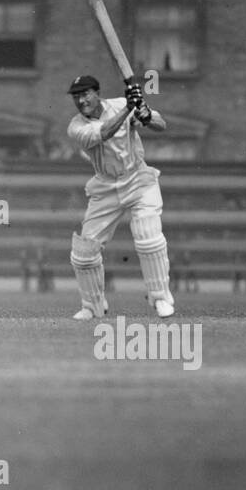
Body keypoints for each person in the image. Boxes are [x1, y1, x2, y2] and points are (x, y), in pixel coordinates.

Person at [65, 74, 174, 320]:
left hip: (138, 179)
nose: (81, 101)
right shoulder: (76, 126)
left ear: (97, 92)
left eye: (85, 94)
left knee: (148, 236)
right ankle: (92, 306)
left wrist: (146, 115)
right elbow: (103, 132)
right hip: (106, 187)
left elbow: (161, 125)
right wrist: (129, 107)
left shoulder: (119, 104)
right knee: (83, 253)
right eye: (76, 96)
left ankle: (160, 298)